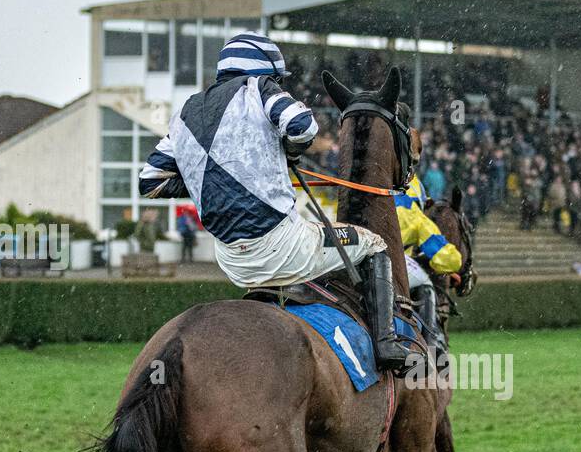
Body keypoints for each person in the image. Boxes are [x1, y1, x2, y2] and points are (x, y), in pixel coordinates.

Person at [138, 31, 409, 370]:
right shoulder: (260, 89)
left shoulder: (188, 110)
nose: (279, 84)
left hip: (231, 261)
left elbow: (149, 182)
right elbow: (302, 127)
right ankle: (387, 345)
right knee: (375, 244)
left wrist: (205, 180)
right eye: (277, 78)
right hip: (282, 247)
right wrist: (286, 150)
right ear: (264, 71)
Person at [395, 173, 462, 355]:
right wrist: (451, 266)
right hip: (391, 266)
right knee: (425, 283)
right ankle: (434, 342)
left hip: (356, 263)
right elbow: (449, 258)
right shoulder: (415, 216)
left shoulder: (372, 203)